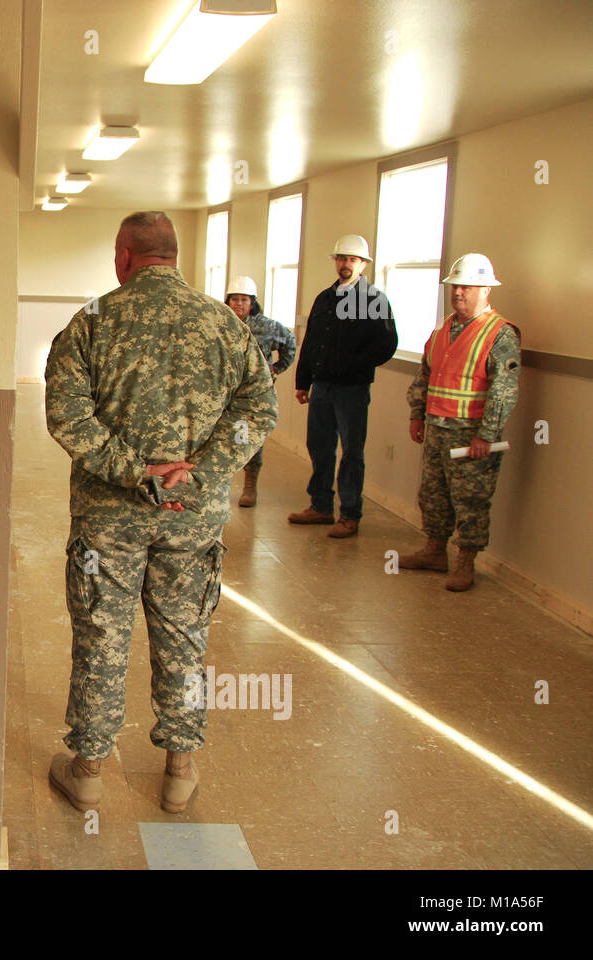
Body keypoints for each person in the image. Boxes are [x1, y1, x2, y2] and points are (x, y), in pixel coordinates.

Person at [44, 211, 277, 814]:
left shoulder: (92, 321)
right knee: (184, 634)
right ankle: (179, 770)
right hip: (190, 515)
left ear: (124, 255)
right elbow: (259, 406)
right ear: (174, 255)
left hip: (108, 520)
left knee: (102, 631)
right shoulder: (225, 323)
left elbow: (66, 414)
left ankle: (89, 769)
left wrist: (130, 468)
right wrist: (201, 468)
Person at [402, 254, 519, 591]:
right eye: (455, 286)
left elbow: (504, 391)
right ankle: (435, 551)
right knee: (433, 494)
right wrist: (416, 413)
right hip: (437, 429)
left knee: (470, 500)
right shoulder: (443, 328)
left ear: (485, 290)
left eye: (466, 287)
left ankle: (465, 562)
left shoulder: (501, 334)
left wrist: (488, 435)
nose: (458, 293)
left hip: (471, 436)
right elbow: (425, 373)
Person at [289, 235, 398, 538]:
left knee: (351, 451)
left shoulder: (372, 299)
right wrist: (303, 381)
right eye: (341, 258)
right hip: (322, 387)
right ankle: (321, 506)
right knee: (319, 447)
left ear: (363, 264)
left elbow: (387, 343)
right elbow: (310, 342)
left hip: (352, 389)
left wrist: (357, 365)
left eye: (352, 259)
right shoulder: (325, 298)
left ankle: (350, 514)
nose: (345, 264)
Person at [225, 276, 296, 507]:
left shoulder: (267, 327)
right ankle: (221, 484)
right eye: (234, 299)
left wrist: (276, 369)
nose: (238, 304)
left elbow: (290, 344)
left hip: (255, 396)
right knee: (226, 438)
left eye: (244, 299)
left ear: (252, 302)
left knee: (251, 439)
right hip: (227, 393)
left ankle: (249, 487)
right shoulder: (222, 324)